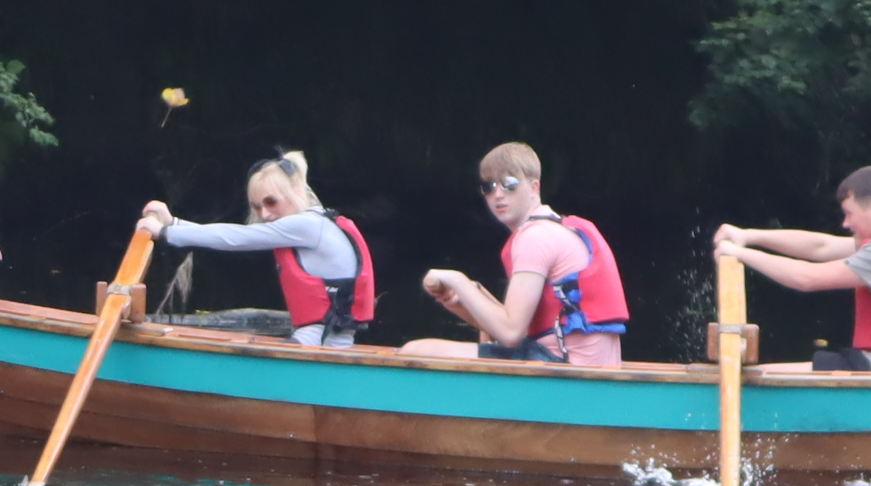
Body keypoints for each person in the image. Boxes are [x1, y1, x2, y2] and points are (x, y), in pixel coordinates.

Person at [716, 163, 871, 371]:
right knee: (769, 372)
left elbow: (806, 278)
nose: (845, 223)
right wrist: (748, 236)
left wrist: (740, 254)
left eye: (849, 213)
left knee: (761, 376)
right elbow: (821, 247)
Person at [407, 143, 629, 363]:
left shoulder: (535, 238)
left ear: (534, 188)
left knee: (415, 351)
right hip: (575, 362)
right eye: (489, 187)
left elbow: (510, 334)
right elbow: (516, 331)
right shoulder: (554, 228)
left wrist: (457, 280)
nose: (498, 194)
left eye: (509, 185)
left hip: (567, 367)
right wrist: (463, 300)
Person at [136, 151, 370, 344]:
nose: (265, 214)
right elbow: (235, 234)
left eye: (271, 202)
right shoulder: (314, 223)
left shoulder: (306, 225)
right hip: (323, 339)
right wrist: (173, 223)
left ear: (296, 194)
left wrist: (166, 232)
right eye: (257, 207)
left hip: (318, 341)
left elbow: (237, 237)